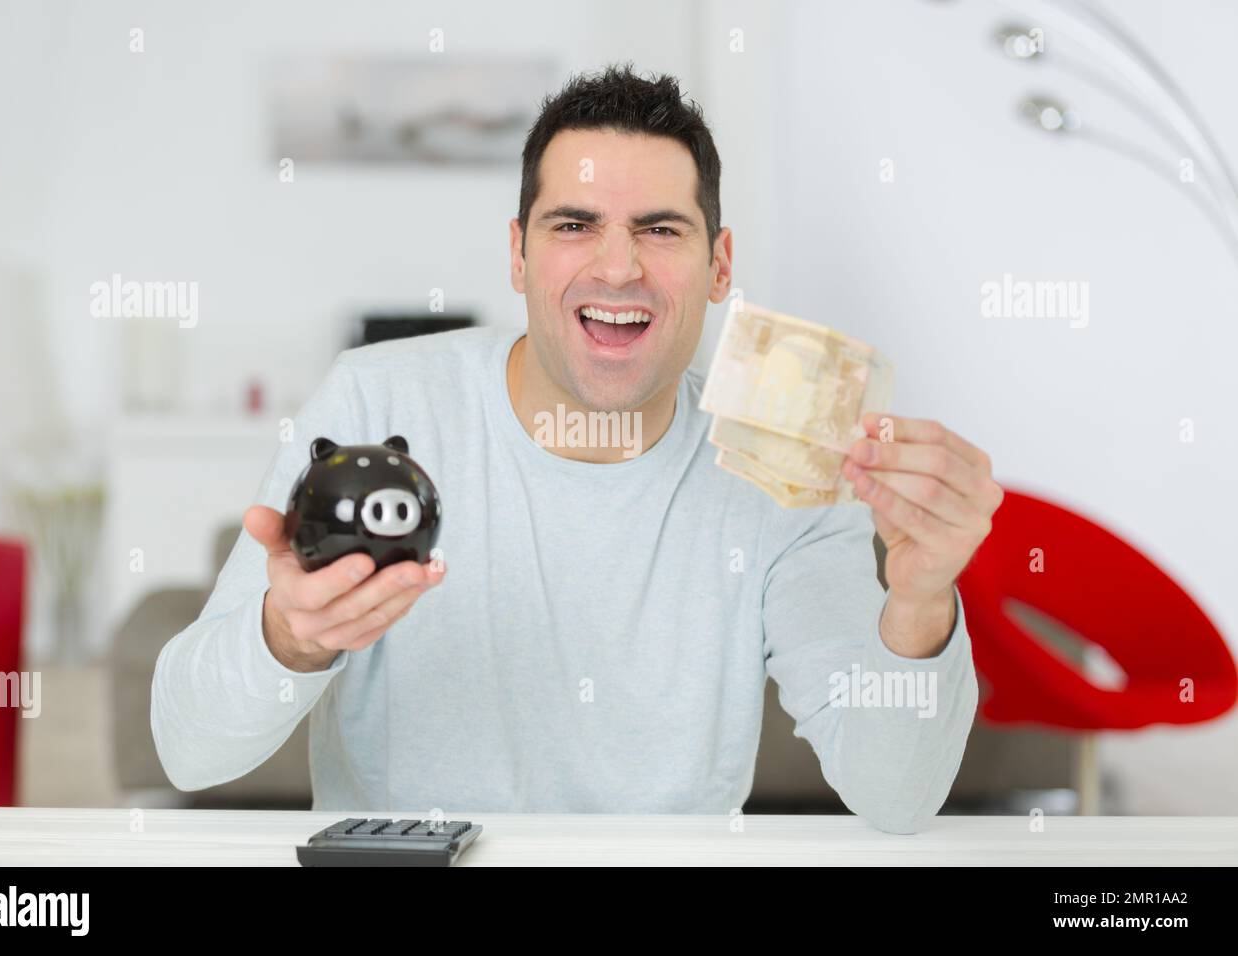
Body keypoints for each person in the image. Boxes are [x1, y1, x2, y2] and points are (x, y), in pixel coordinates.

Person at [152, 64, 1003, 833]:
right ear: (518, 254)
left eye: (661, 229)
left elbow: (896, 796)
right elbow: (188, 752)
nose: (619, 267)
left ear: (720, 264)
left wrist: (921, 603)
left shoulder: (782, 476)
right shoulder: (379, 403)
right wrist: (288, 639)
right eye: (574, 225)